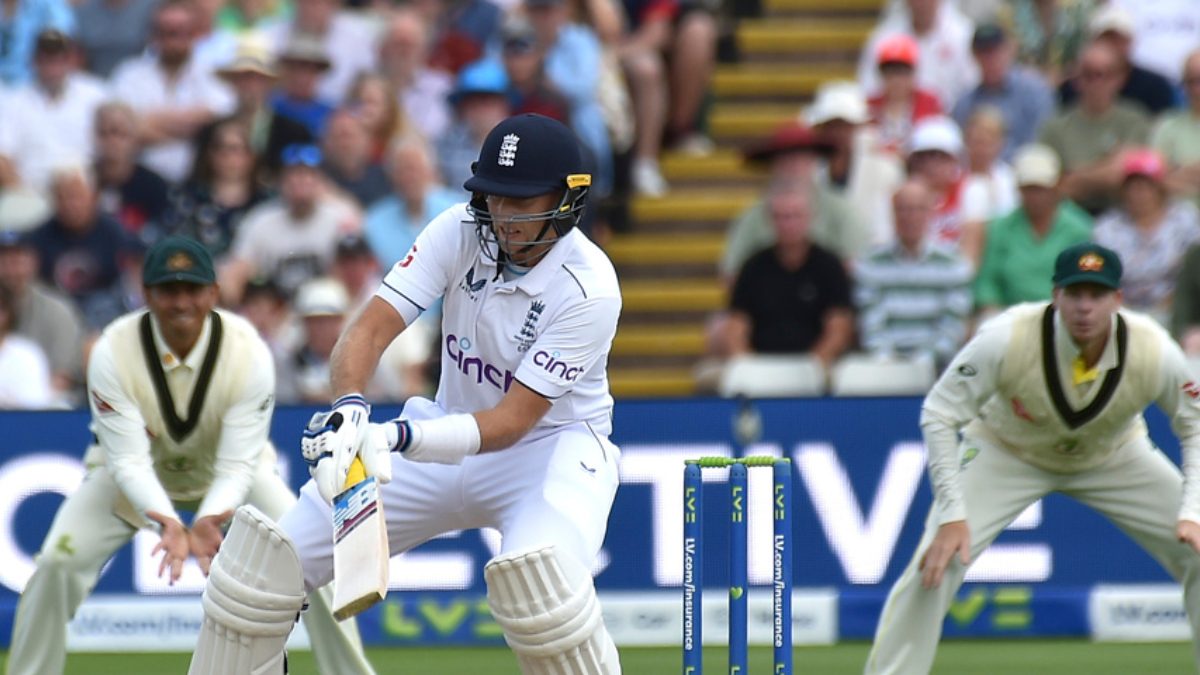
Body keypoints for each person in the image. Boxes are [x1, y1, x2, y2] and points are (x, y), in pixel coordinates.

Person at [188, 113, 623, 674]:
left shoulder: (590, 287)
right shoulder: (459, 229)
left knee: (544, 600)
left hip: (549, 452)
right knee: (254, 576)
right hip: (444, 434)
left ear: (567, 201)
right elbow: (368, 330)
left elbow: (514, 420)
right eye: (495, 198)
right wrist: (348, 407)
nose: (504, 217)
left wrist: (396, 435)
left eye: (522, 202)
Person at [5, 236, 374, 675]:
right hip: (126, 477)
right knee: (56, 564)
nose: (182, 302)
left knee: (308, 559)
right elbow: (127, 462)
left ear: (213, 294)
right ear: (146, 294)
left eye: (192, 289)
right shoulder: (112, 350)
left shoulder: (247, 351)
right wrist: (167, 520)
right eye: (168, 290)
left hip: (234, 471)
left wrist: (207, 517)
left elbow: (238, 462)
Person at [865, 241, 1200, 674]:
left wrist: (1192, 510)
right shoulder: (1007, 336)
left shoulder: (1154, 349)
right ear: (1055, 295)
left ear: (1118, 300)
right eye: (1074, 294)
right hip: (1007, 449)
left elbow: (1194, 424)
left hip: (1114, 454)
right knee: (937, 560)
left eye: (1097, 295)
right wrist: (951, 514)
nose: (1085, 308)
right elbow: (939, 412)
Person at [855, 180, 973, 370]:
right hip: (884, 366)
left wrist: (926, 360)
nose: (911, 217)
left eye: (919, 209)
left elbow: (952, 325)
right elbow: (871, 322)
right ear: (892, 214)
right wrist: (886, 359)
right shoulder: (871, 263)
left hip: (937, 367)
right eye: (903, 209)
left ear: (931, 212)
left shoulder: (952, 264)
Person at [974, 143, 1092, 315]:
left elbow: (1083, 281)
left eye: (1041, 189)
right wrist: (991, 308)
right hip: (1007, 314)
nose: (1035, 196)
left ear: (1056, 187)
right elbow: (987, 281)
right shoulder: (1001, 227)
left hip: (1063, 316)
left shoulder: (1078, 228)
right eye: (1029, 189)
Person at [1093, 149, 1200, 325]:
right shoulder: (1107, 227)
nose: (1139, 193)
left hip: (1176, 310)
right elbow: (1103, 275)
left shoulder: (1185, 220)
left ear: (1159, 187)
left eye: (1146, 185)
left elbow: (1193, 270)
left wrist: (1174, 304)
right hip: (1121, 312)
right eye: (1132, 186)